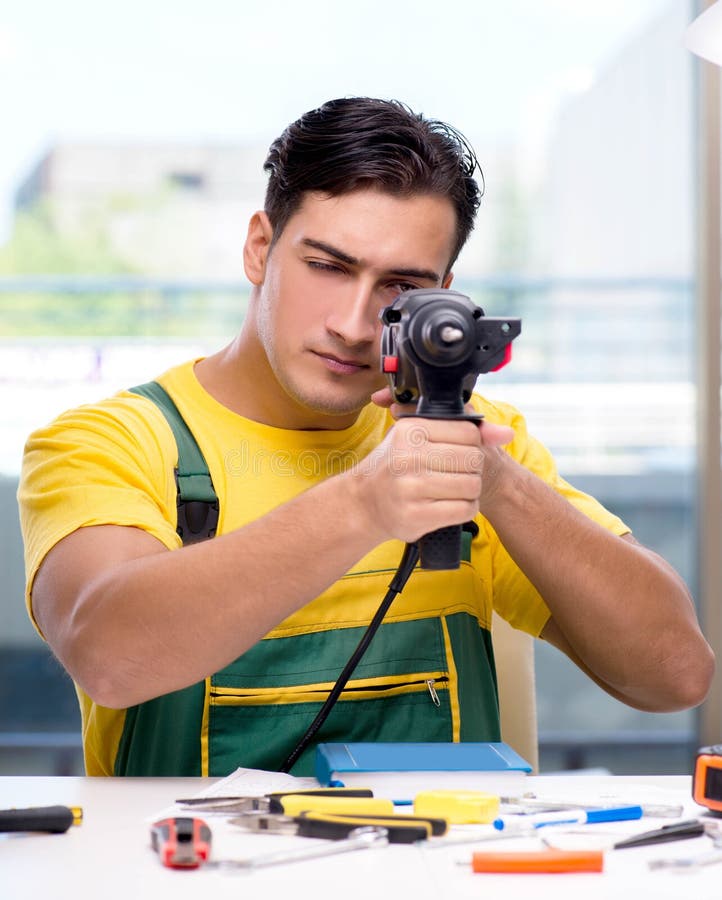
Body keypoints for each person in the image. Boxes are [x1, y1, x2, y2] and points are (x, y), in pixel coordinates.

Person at [18, 97, 714, 777]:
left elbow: (675, 675)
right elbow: (108, 655)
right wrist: (366, 503)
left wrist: (494, 482)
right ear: (260, 247)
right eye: (328, 266)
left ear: (441, 293)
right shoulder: (111, 442)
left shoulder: (477, 445)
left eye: (399, 285)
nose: (353, 323)